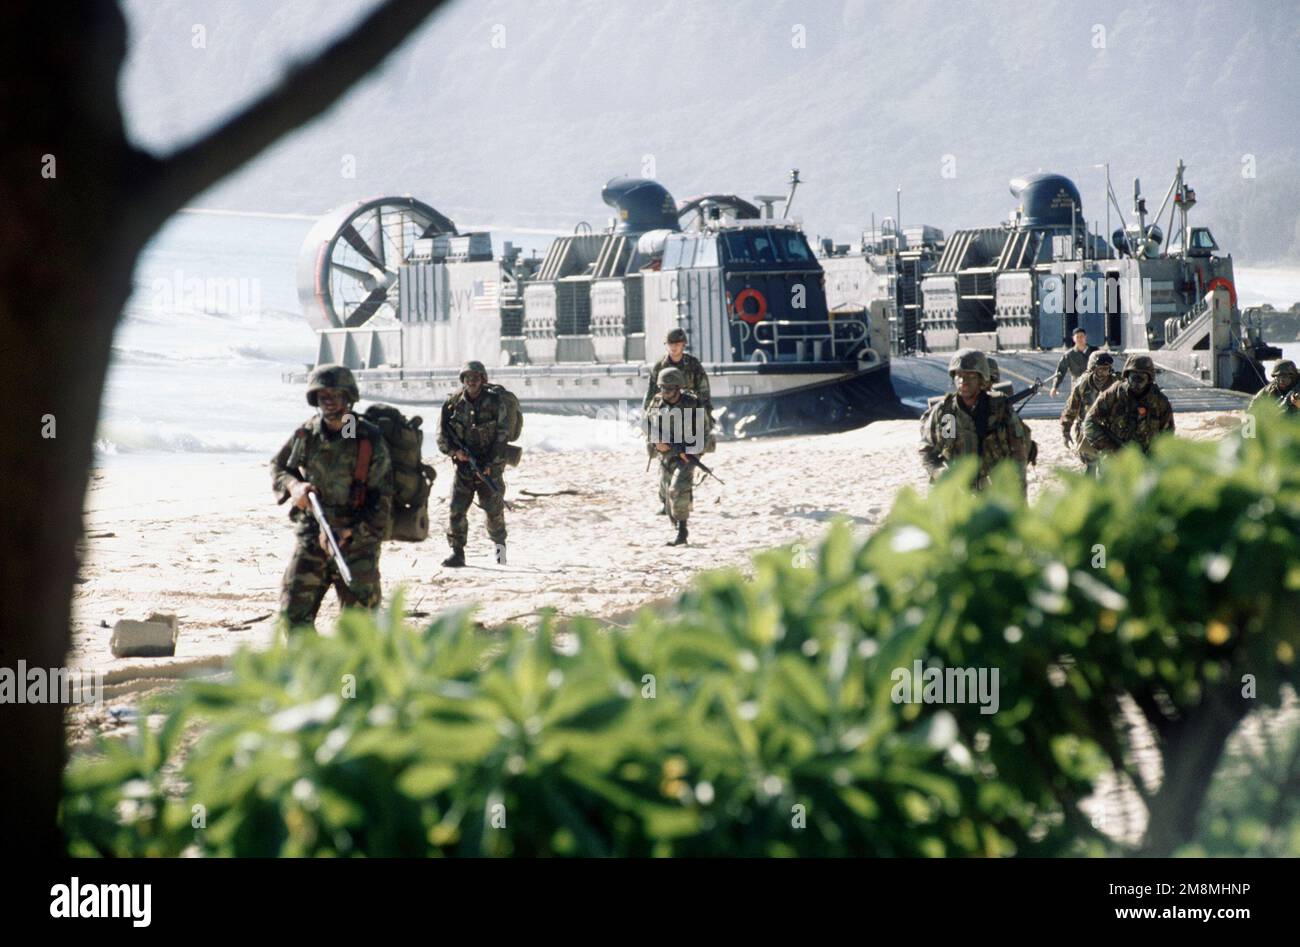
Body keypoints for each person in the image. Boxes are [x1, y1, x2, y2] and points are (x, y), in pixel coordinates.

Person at [270, 364, 392, 633]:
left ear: (348, 396)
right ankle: (310, 673)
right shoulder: (307, 434)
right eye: (321, 394)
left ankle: (353, 676)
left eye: (335, 393)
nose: (327, 399)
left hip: (356, 546)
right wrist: (294, 486)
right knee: (292, 616)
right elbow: (279, 467)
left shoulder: (366, 438)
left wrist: (349, 532)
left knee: (360, 629)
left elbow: (381, 502)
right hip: (313, 536)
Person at [918, 349, 1032, 493]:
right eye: (958, 375)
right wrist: (939, 472)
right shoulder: (947, 413)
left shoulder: (999, 410)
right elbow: (927, 450)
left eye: (970, 376)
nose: (963, 382)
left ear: (982, 379)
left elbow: (1019, 454)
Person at [437, 361, 510, 567]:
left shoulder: (495, 402)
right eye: (467, 378)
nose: (471, 381)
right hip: (464, 467)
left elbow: (502, 436)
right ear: (463, 380)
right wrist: (455, 452)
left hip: (489, 467)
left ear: (483, 379)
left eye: (475, 377)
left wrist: (491, 464)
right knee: (457, 510)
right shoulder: (452, 404)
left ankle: (500, 551)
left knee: (494, 510)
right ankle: (457, 553)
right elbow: (442, 436)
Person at [645, 366, 712, 545]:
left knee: (677, 491)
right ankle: (677, 525)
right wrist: (655, 442)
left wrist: (692, 451)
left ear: (678, 388)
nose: (664, 392)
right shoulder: (657, 403)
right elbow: (648, 425)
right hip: (665, 456)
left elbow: (703, 433)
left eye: (668, 389)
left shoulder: (692, 404)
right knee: (667, 497)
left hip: (687, 456)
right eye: (662, 388)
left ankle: (682, 532)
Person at [1082, 354, 1175, 456]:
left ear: (1149, 379)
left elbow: (1168, 434)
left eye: (1141, 378)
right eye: (1133, 377)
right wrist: (1108, 447)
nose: (1137, 383)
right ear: (1127, 376)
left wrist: (1155, 455)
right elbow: (1089, 422)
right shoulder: (1114, 393)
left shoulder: (1159, 401)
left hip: (1147, 461)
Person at [1060, 350, 1116, 474]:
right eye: (1099, 370)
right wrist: (1065, 431)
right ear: (1092, 369)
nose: (1102, 374)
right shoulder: (1082, 385)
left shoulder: (1116, 384)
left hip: (1110, 431)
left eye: (1106, 369)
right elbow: (1071, 409)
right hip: (1087, 430)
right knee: (1090, 466)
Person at [643, 328, 712, 414]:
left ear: (683, 344)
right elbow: (651, 391)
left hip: (689, 410)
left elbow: (703, 390)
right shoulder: (659, 366)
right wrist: (647, 412)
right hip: (664, 410)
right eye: (670, 344)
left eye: (677, 344)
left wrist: (705, 410)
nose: (673, 347)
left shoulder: (693, 364)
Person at [1049, 328, 1098, 396]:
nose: (1080, 339)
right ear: (1073, 338)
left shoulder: (1094, 352)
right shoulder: (1069, 355)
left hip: (1093, 388)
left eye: (1082, 336)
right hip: (1077, 388)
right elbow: (1060, 371)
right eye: (1077, 337)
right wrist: (1055, 387)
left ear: (1085, 337)